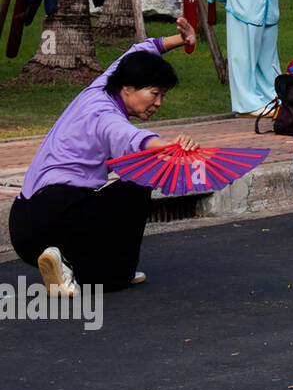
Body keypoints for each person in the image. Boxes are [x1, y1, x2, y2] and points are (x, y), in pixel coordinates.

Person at [9, 19, 199, 296]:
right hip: (52, 218)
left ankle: (70, 265)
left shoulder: (101, 87)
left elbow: (140, 49)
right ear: (128, 89)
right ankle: (92, 265)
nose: (158, 103)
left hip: (23, 222)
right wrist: (168, 146)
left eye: (163, 96)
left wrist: (180, 40)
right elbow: (133, 138)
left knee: (106, 195)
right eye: (155, 94)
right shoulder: (107, 117)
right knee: (137, 184)